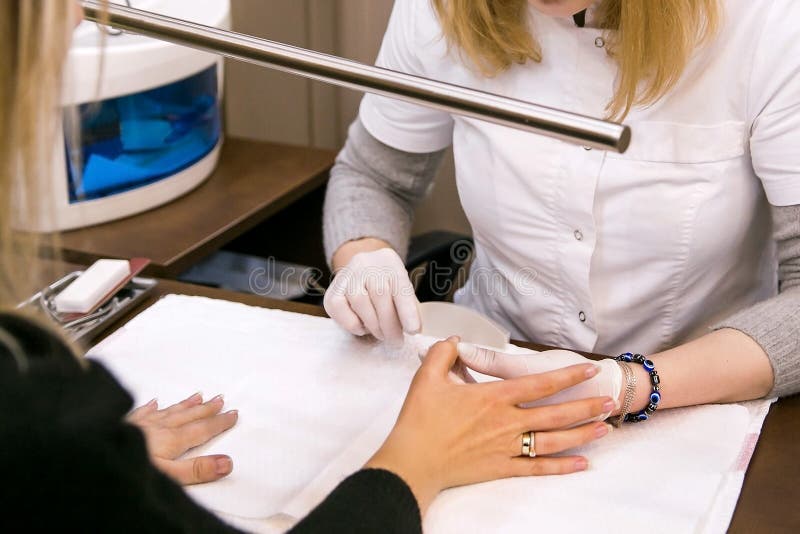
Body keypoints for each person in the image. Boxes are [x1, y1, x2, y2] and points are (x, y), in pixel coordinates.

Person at [0, 2, 614, 531]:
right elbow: (373, 174)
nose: (78, 16)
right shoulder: (36, 418)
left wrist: (98, 467)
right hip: (483, 389)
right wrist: (413, 460)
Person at [323, 0, 800, 421]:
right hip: (486, 371)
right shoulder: (444, 8)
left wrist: (627, 385)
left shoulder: (767, 21)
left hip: (695, 393)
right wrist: (364, 256)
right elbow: (373, 176)